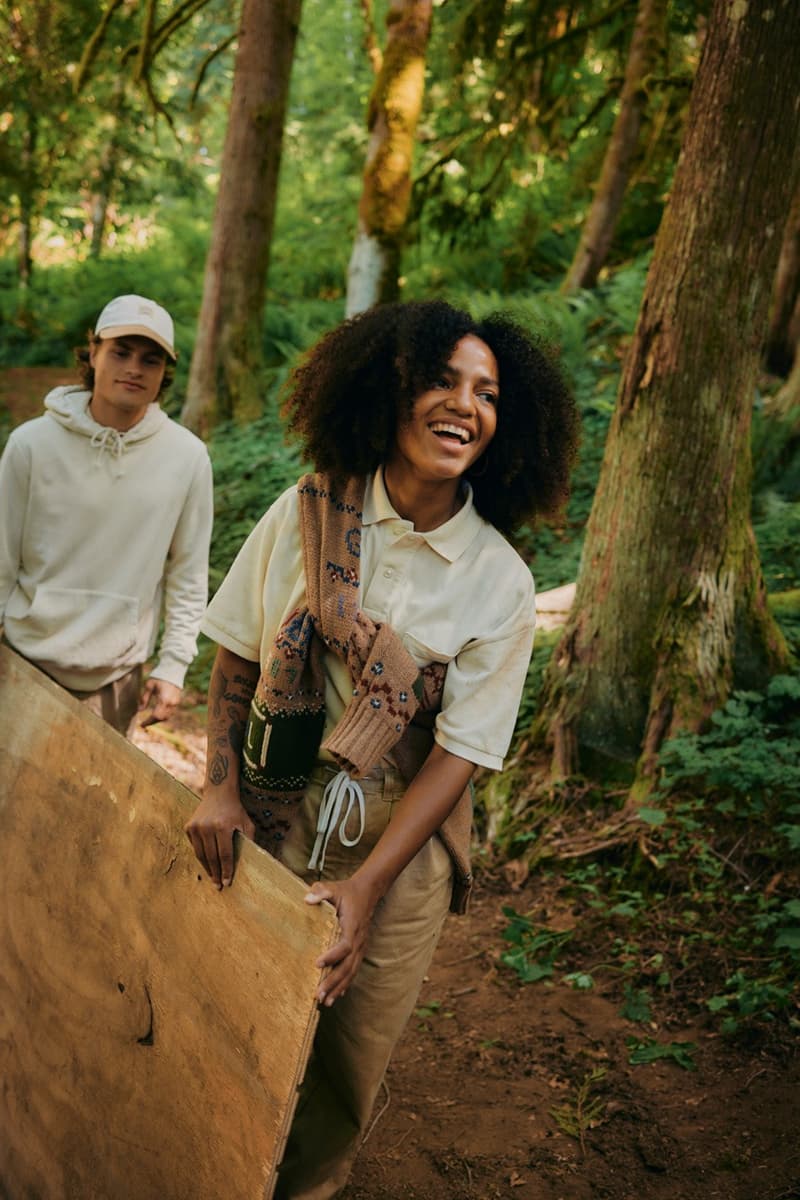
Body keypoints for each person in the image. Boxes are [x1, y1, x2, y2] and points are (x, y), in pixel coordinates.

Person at [185, 299, 579, 1199]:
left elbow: (462, 754)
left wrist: (366, 889)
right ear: (389, 389)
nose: (463, 404)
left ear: (504, 424)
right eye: (441, 379)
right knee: (230, 1008)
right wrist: (218, 792)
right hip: (270, 800)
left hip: (401, 846)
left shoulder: (499, 582)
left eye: (486, 392)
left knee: (347, 1058)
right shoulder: (310, 509)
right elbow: (239, 650)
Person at [0, 293, 214, 735]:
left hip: (115, 678)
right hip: (22, 660)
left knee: (87, 804)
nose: (134, 368)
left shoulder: (187, 457)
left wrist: (172, 666)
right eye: (121, 351)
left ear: (164, 373)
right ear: (93, 352)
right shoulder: (31, 444)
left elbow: (188, 574)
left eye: (151, 359)